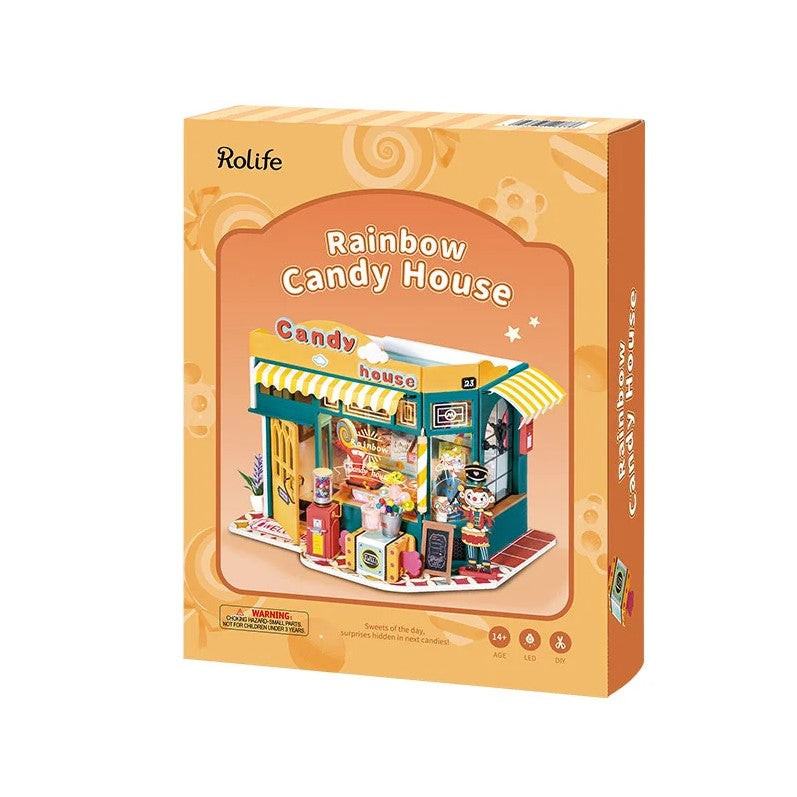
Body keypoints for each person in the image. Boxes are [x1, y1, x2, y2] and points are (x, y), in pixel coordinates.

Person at [457, 462, 495, 573]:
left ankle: (486, 565)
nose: (475, 500)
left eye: (481, 499)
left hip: (481, 530)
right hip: (471, 529)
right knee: (470, 545)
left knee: (483, 546)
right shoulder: (470, 510)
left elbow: (490, 521)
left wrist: (488, 527)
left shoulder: (485, 513)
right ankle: (472, 564)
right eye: (470, 497)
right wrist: (458, 509)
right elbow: (464, 512)